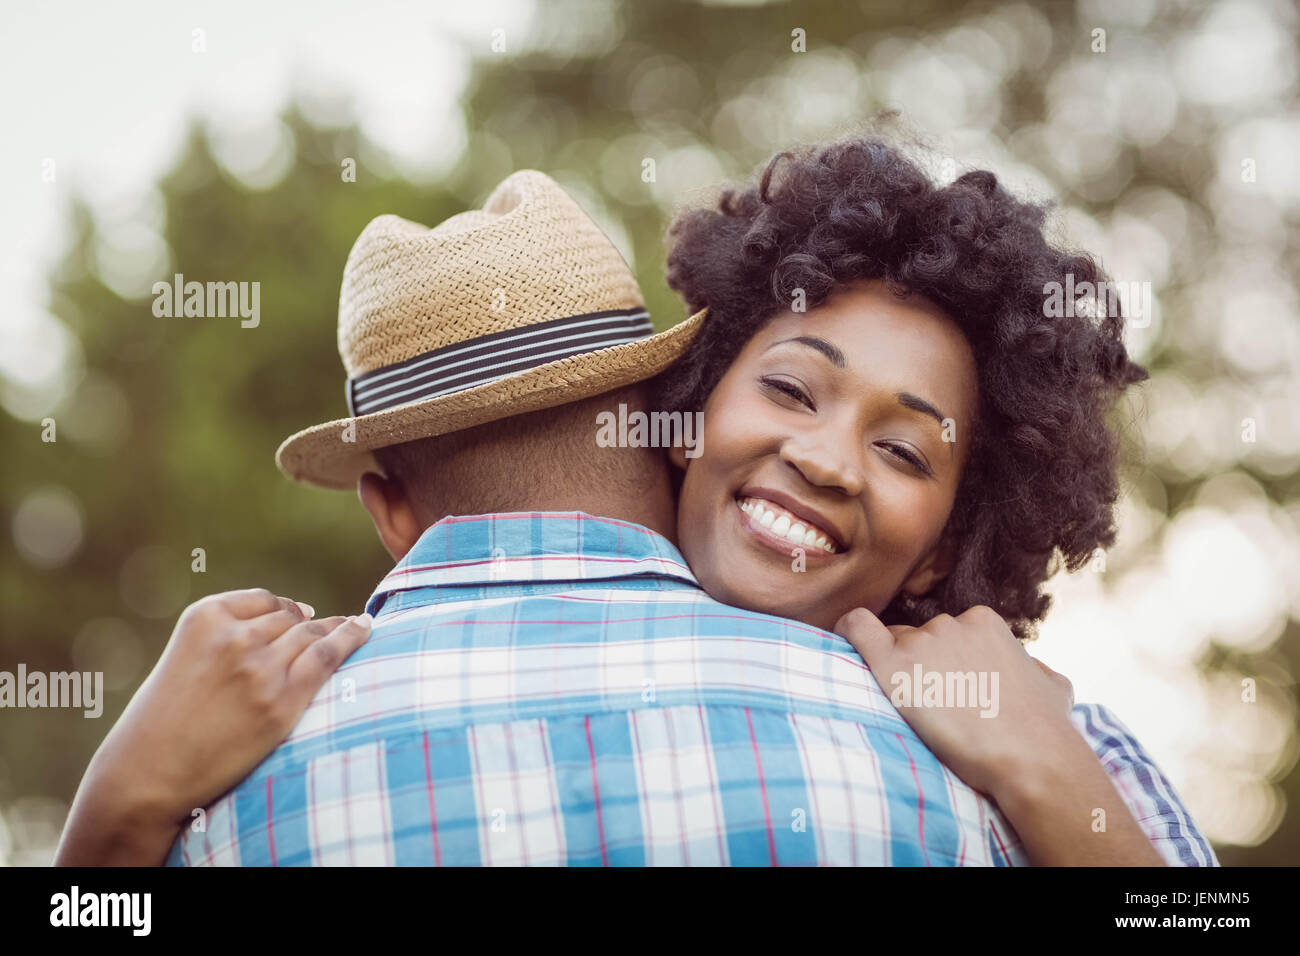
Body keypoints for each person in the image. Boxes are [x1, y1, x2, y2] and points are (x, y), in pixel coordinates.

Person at [56, 149, 1215, 866]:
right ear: (683, 418)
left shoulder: (1049, 744)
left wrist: (1055, 780)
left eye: (905, 448)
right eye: (789, 386)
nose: (825, 458)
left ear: (948, 546)